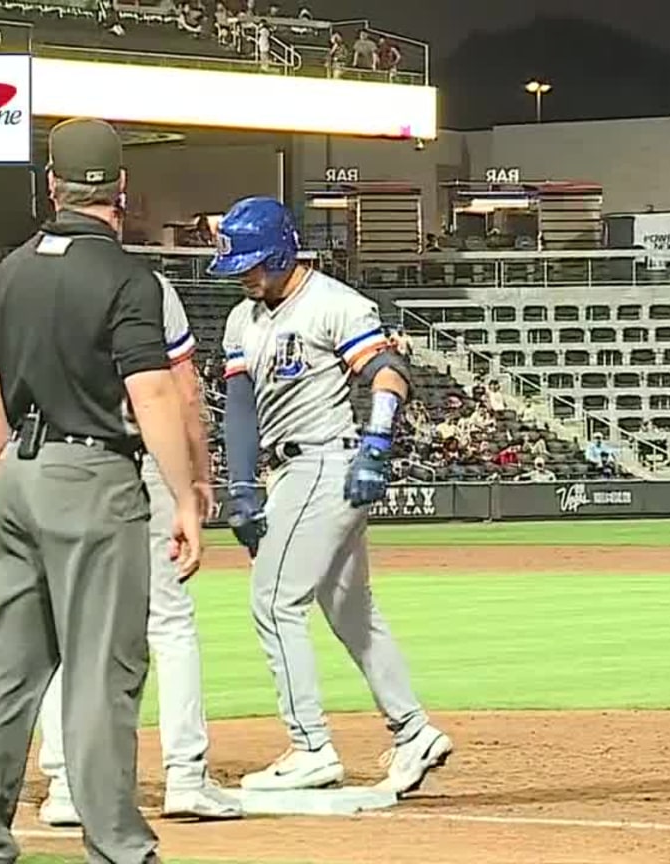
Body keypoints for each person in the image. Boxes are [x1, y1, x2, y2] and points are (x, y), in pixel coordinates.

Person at [0, 117, 204, 864]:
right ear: (120, 187)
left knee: (2, 673)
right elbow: (153, 392)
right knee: (102, 670)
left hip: (17, 477)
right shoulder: (128, 278)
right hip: (91, 479)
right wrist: (185, 497)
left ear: (51, 185)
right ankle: (119, 847)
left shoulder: (8, 272)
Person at [213, 195, 453, 796]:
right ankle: (414, 731)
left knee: (274, 601)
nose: (244, 275)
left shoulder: (334, 303)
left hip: (326, 460)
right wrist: (241, 485)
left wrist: (378, 442)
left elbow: (388, 371)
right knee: (350, 609)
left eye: (252, 264)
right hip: (289, 467)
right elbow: (240, 407)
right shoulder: (243, 319)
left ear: (281, 253)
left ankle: (311, 747)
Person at [32, 269, 243, 828]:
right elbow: (182, 392)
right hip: (140, 458)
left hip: (54, 463)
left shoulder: (22, 279)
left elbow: (0, 388)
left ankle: (65, 786)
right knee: (169, 621)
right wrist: (196, 478)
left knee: (67, 627)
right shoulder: (145, 284)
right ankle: (186, 778)